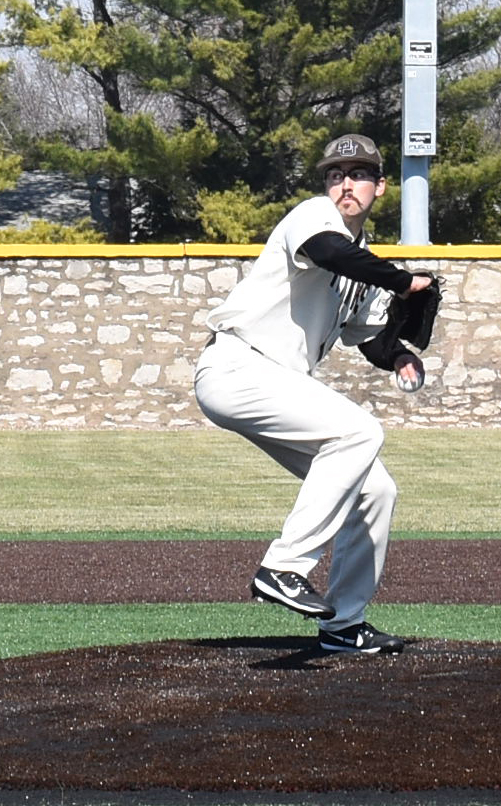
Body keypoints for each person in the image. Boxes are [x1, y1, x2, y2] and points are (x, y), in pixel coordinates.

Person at [193, 133, 433, 654]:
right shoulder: (314, 218)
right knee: (361, 431)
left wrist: (399, 356)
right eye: (335, 175)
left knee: (374, 490)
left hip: (274, 382)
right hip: (236, 366)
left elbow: (367, 336)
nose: (345, 184)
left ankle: (344, 625)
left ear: (380, 187)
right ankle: (284, 566)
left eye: (359, 175)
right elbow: (330, 253)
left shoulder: (364, 264)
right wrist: (402, 280)